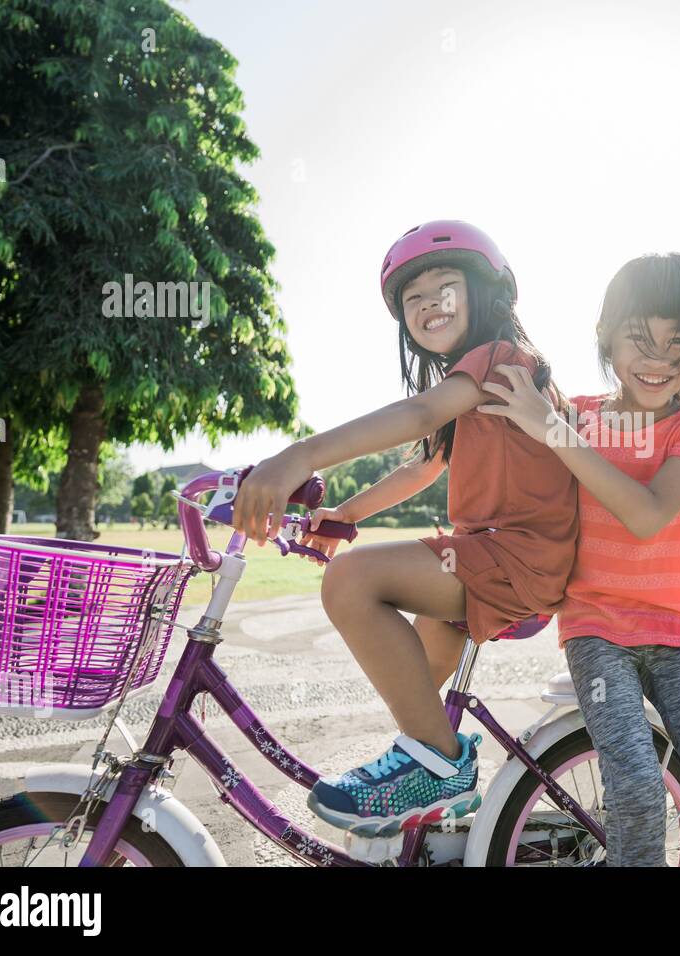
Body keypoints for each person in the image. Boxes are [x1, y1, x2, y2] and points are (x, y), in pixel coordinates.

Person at [230, 220, 578, 836]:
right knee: (415, 685)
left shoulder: (502, 362)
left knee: (352, 581)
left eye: (445, 288)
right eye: (413, 299)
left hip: (516, 559)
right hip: (486, 559)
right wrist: (348, 514)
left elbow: (417, 414)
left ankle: (441, 767)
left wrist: (299, 456)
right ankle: (426, 785)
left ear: (488, 295)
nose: (427, 305)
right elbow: (422, 465)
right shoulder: (464, 386)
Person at [477, 252, 680, 866]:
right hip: (596, 628)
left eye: (679, 343)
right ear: (608, 333)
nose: (659, 360)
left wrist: (554, 431)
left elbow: (644, 514)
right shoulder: (574, 413)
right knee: (635, 787)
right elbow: (473, 442)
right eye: (640, 338)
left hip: (676, 629)